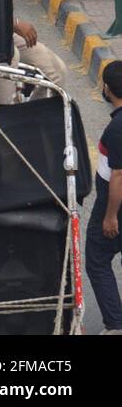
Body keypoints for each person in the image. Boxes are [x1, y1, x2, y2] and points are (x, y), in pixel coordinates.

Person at [87, 60, 122, 334]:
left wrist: (110, 216)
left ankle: (115, 324)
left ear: (107, 89)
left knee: (97, 260)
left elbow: (118, 177)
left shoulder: (117, 129)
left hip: (114, 206)